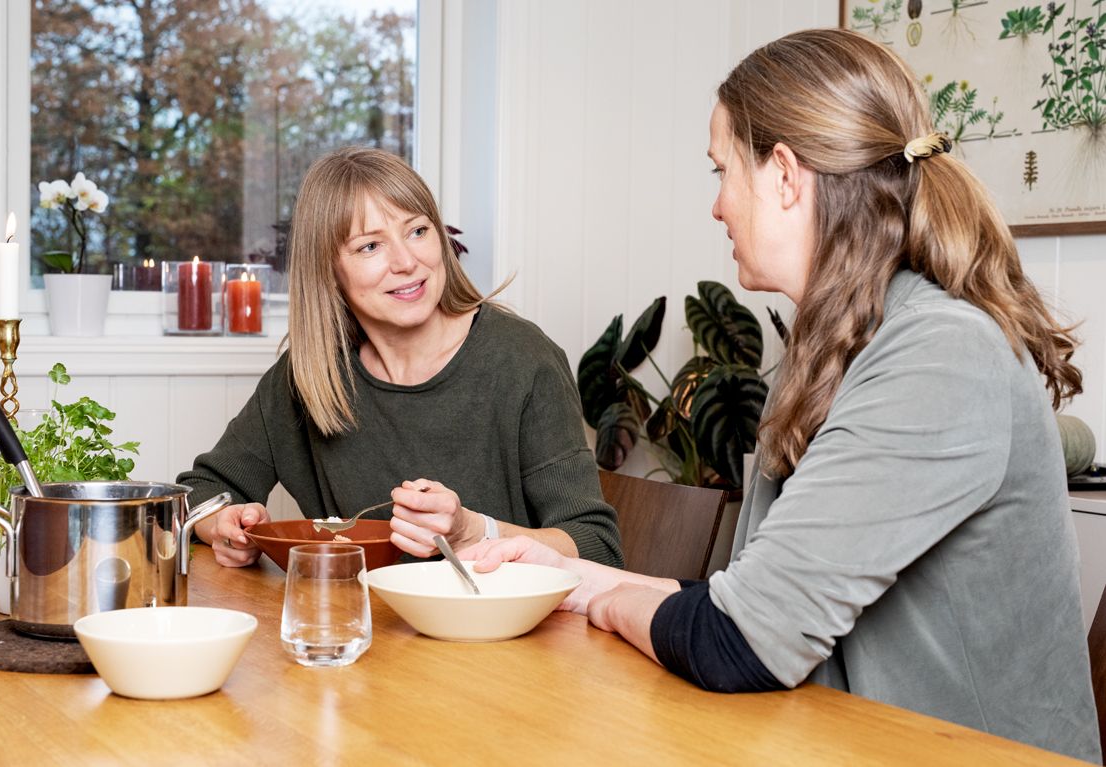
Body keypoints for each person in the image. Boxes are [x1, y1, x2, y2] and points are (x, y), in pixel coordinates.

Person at [457, 28, 1099, 762]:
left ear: (787, 176)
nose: (717, 206)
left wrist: (603, 600)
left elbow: (740, 638)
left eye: (721, 171)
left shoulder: (940, 353)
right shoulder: (840, 347)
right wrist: (568, 575)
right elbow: (751, 598)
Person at [178, 146, 622, 569]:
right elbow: (202, 491)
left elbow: (596, 547)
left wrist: (473, 531)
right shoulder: (309, 377)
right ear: (328, 271)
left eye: (417, 231)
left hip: (504, 640)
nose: (406, 261)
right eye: (370, 246)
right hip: (362, 634)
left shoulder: (523, 361)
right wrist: (223, 525)